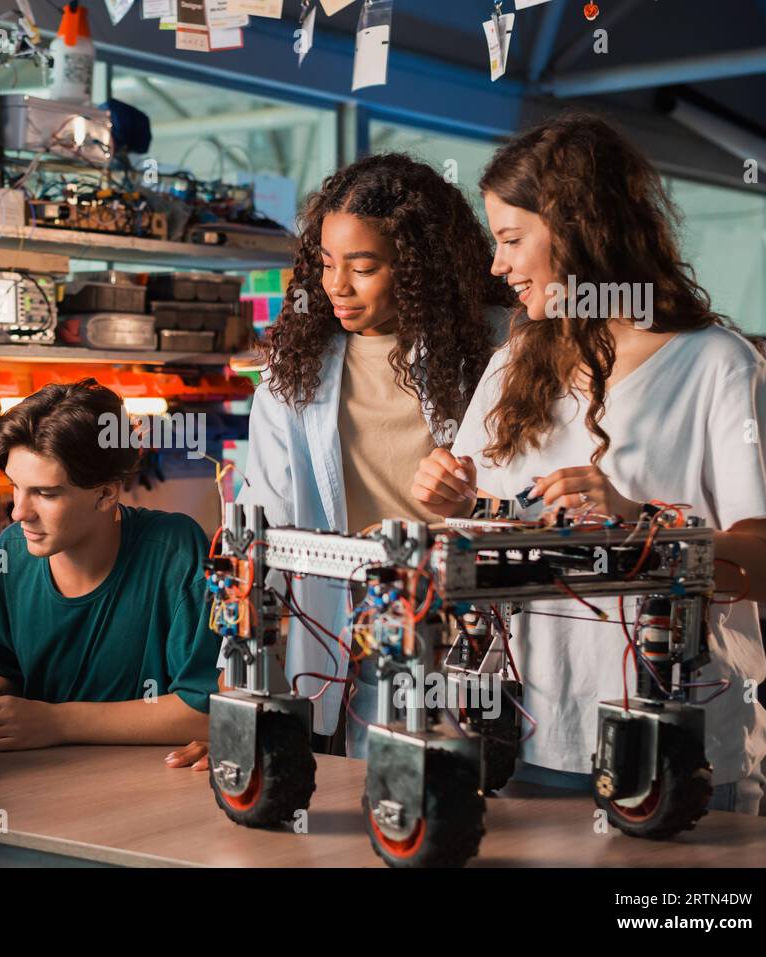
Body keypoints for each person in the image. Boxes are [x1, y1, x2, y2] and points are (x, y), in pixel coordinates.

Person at [412, 114, 766, 814]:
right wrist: (453, 497)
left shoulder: (722, 367)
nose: (498, 265)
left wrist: (637, 518)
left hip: (679, 755)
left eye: (510, 240)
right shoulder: (510, 368)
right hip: (529, 742)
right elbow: (485, 527)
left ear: (580, 230)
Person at [168, 153, 512, 769]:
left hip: (477, 629)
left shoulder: (501, 347)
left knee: (493, 815)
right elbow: (262, 529)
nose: (337, 287)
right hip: (355, 637)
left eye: (365, 267)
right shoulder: (295, 370)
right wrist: (237, 705)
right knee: (381, 812)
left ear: (421, 264)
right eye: (326, 264)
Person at [0, 379, 220, 748]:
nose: (19, 512)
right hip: (38, 783)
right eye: (15, 486)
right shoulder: (10, 553)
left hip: (146, 789)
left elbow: (204, 712)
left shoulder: (174, 550)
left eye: (44, 493)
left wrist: (58, 722)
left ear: (105, 493)